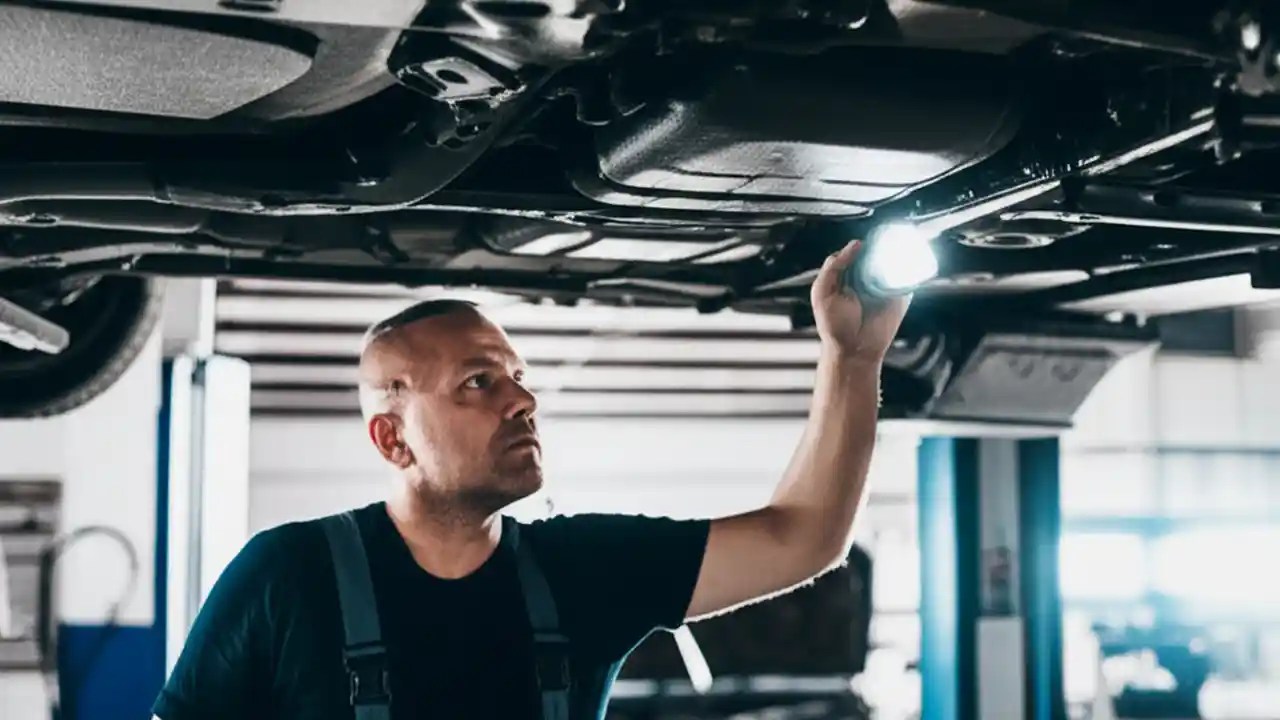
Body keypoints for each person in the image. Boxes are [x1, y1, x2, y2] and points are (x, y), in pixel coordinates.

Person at [151, 240, 908, 720]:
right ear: (393, 438)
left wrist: (852, 358)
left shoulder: (584, 571)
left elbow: (801, 538)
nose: (523, 400)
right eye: (478, 383)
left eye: (518, 376)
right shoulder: (286, 578)